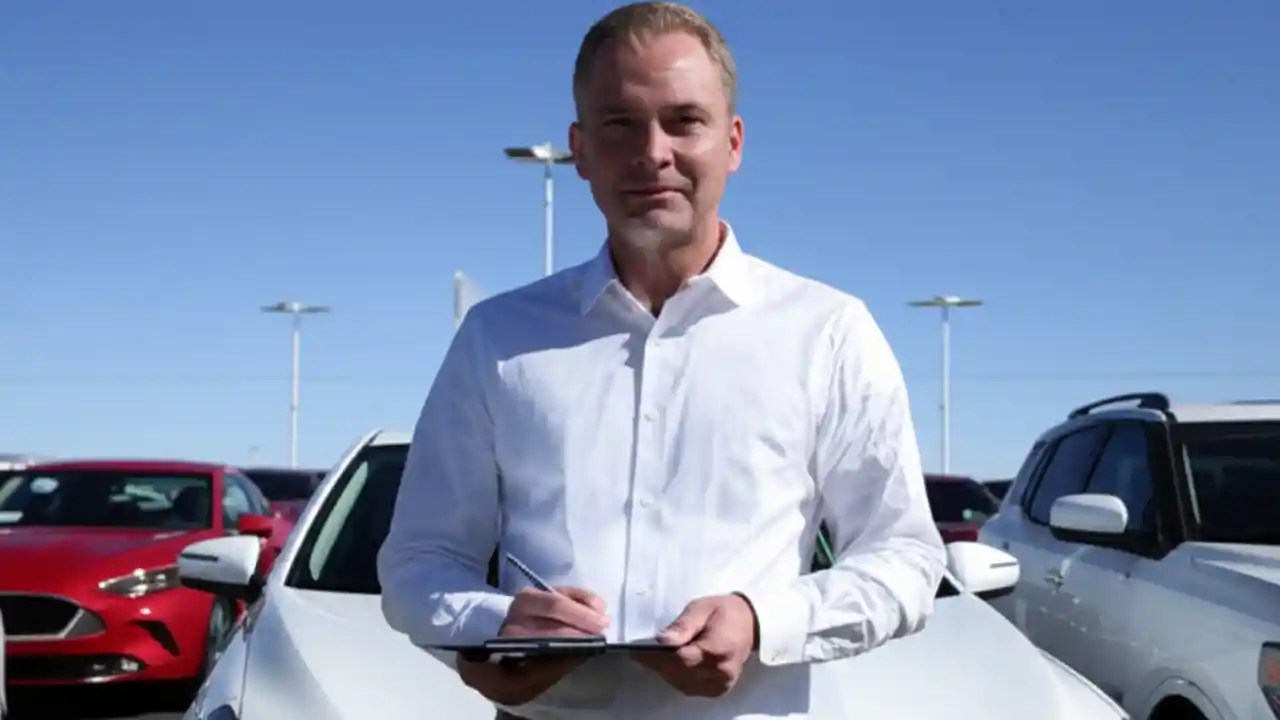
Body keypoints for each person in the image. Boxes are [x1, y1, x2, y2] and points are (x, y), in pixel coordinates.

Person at [377, 2, 947, 718]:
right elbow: (416, 562)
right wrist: (488, 632)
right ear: (580, 150)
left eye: (685, 120)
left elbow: (906, 559)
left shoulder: (827, 332)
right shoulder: (498, 338)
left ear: (733, 142)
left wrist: (762, 620)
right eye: (620, 125)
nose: (653, 151)